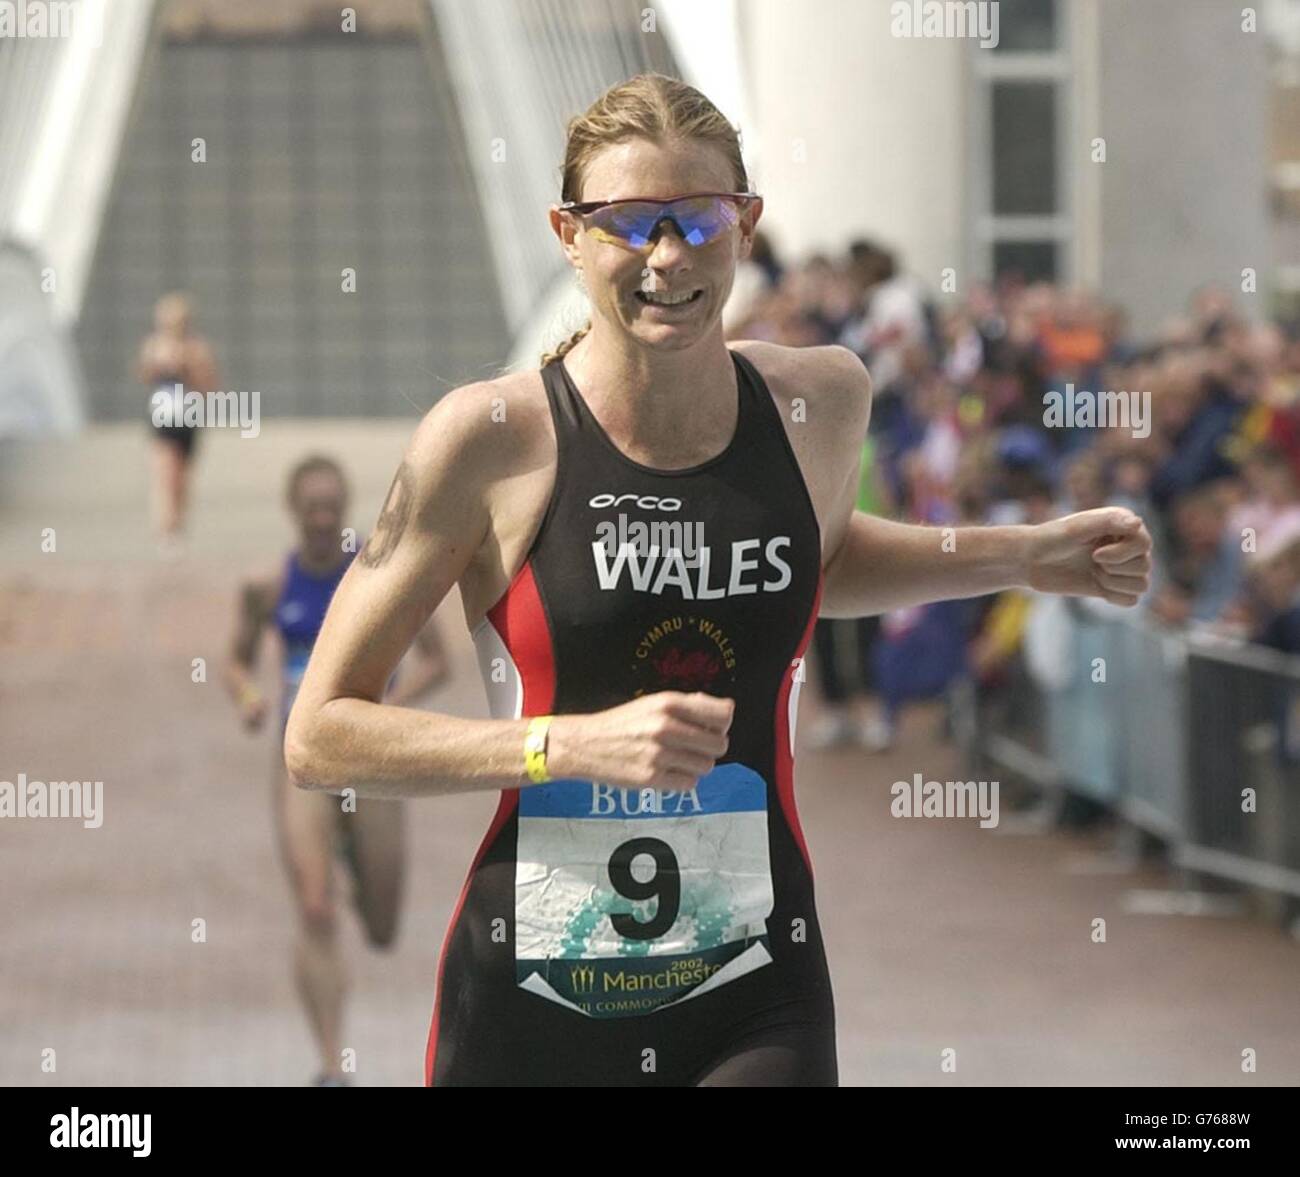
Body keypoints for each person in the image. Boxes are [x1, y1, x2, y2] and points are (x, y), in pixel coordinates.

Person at [284, 74, 1152, 1088]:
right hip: (536, 993)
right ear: (568, 235)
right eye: (628, 223)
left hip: (751, 978)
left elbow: (816, 561)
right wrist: (565, 744)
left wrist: (1024, 555)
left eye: (698, 219)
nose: (668, 256)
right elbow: (319, 735)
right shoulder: (490, 439)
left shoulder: (819, 401)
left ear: (745, 224)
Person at [225, 453, 449, 1086]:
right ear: (293, 512)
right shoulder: (267, 586)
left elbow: (437, 660)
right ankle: (331, 1068)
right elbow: (235, 661)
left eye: (331, 506)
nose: (322, 518)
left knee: (381, 926)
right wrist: (249, 698)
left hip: (371, 761)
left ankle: (351, 860)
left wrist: (386, 711)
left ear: (345, 507)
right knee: (315, 908)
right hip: (303, 762)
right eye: (311, 508)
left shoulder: (381, 574)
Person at [134, 292, 217, 554]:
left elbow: (209, 386)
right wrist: (159, 365)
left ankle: (178, 526)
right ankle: (165, 529)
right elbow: (144, 376)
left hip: (188, 417)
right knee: (165, 474)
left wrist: (188, 367)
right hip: (162, 417)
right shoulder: (154, 345)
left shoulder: (197, 348)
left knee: (181, 478)